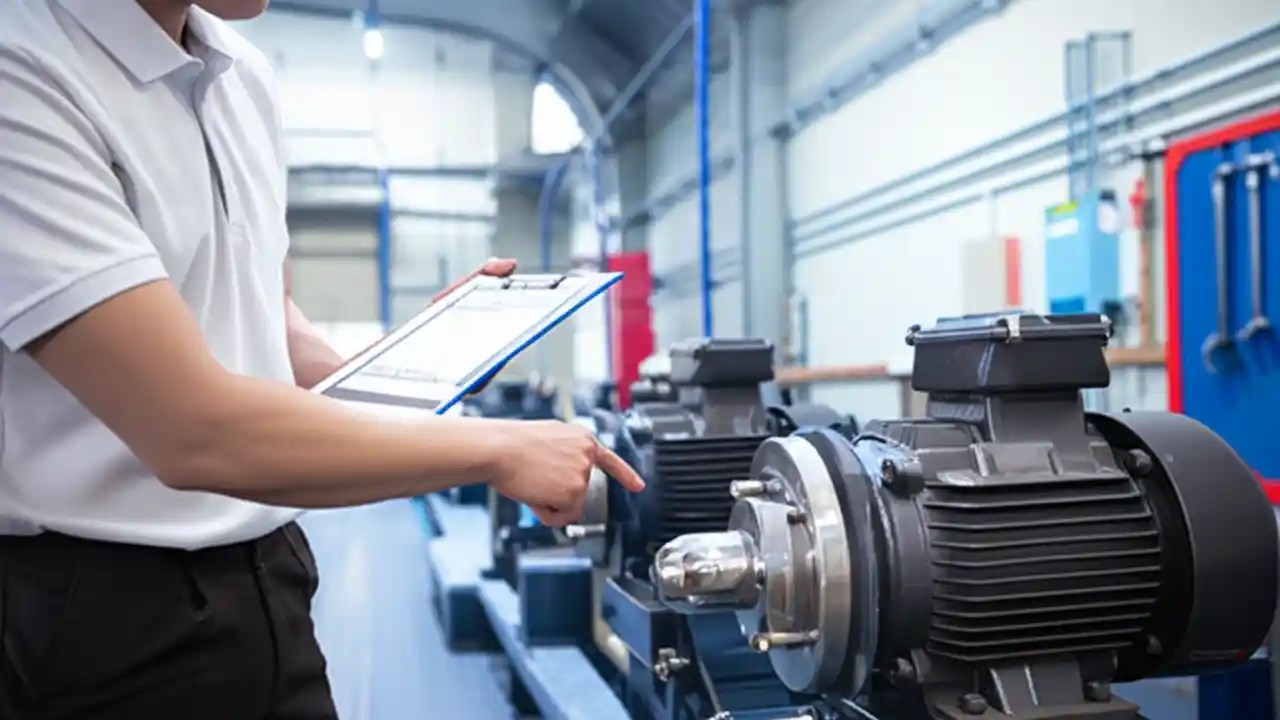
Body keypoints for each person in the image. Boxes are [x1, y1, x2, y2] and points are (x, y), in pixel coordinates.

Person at [0, 1, 646, 717]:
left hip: (267, 574)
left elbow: (259, 317)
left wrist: (410, 358)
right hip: (98, 616)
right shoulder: (23, 67)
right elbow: (190, 430)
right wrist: (492, 448)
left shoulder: (242, 74)